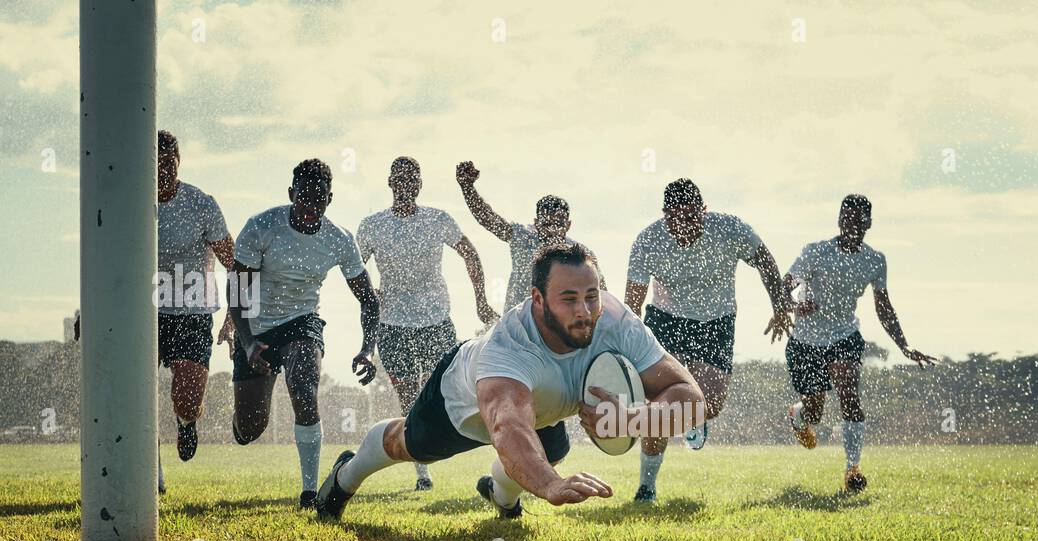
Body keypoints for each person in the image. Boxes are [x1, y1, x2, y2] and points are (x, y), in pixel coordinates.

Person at [315, 243, 705, 521]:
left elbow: (691, 400)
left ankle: (501, 498)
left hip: (540, 412)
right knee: (410, 446)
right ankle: (345, 475)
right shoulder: (509, 347)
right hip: (462, 401)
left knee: (546, 453)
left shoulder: (618, 322)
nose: (585, 311)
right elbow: (507, 427)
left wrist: (634, 419)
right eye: (568, 299)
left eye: (591, 295)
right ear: (537, 299)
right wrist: (551, 485)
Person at [624, 178, 792, 502]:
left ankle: (694, 417)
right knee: (657, 407)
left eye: (692, 216)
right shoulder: (648, 241)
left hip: (716, 321)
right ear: (665, 215)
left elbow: (766, 262)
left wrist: (780, 305)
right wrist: (625, 349)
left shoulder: (730, 229)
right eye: (676, 218)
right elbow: (631, 303)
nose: (684, 225)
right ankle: (647, 487)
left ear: (704, 210)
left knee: (709, 404)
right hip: (665, 320)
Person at [226, 158, 380, 508]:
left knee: (304, 385)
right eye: (305, 198)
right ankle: (241, 425)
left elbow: (369, 300)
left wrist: (367, 349)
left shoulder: (339, 239)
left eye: (320, 199)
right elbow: (235, 289)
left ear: (330, 199)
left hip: (302, 322)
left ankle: (309, 493)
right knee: (251, 429)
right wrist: (247, 342)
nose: (311, 208)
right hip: (257, 327)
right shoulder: (262, 226)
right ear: (292, 194)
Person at [356, 156, 497, 491]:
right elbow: (355, 271)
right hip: (392, 324)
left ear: (419, 185)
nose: (405, 184)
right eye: (399, 179)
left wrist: (480, 301)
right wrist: (370, 295)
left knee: (449, 391)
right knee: (408, 399)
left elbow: (470, 253)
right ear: (390, 183)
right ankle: (422, 472)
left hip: (436, 319)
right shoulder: (372, 225)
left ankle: (493, 448)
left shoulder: (437, 219)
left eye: (412, 179)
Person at [784, 194, 937, 492]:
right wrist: (792, 305)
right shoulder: (816, 251)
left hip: (844, 336)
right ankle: (799, 415)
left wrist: (904, 345)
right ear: (839, 220)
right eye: (846, 217)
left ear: (868, 223)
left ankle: (852, 469)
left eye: (857, 219)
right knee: (816, 411)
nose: (851, 223)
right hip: (806, 340)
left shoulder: (875, 260)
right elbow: (786, 284)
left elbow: (883, 307)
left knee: (849, 395)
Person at [154, 130, 236, 490]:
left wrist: (233, 315)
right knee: (135, 392)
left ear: (179, 161)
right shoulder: (131, 202)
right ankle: (151, 474)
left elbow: (233, 262)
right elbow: (106, 259)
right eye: (155, 164)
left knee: (186, 398)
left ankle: (187, 423)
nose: (162, 171)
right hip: (145, 311)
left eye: (168, 163)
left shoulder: (201, 204)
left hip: (192, 311)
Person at [454, 160, 602, 309]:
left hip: (558, 327)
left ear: (568, 225)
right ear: (536, 223)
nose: (552, 230)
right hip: (518, 324)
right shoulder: (523, 239)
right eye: (546, 224)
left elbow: (601, 297)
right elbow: (489, 219)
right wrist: (467, 188)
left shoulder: (581, 255)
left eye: (558, 225)